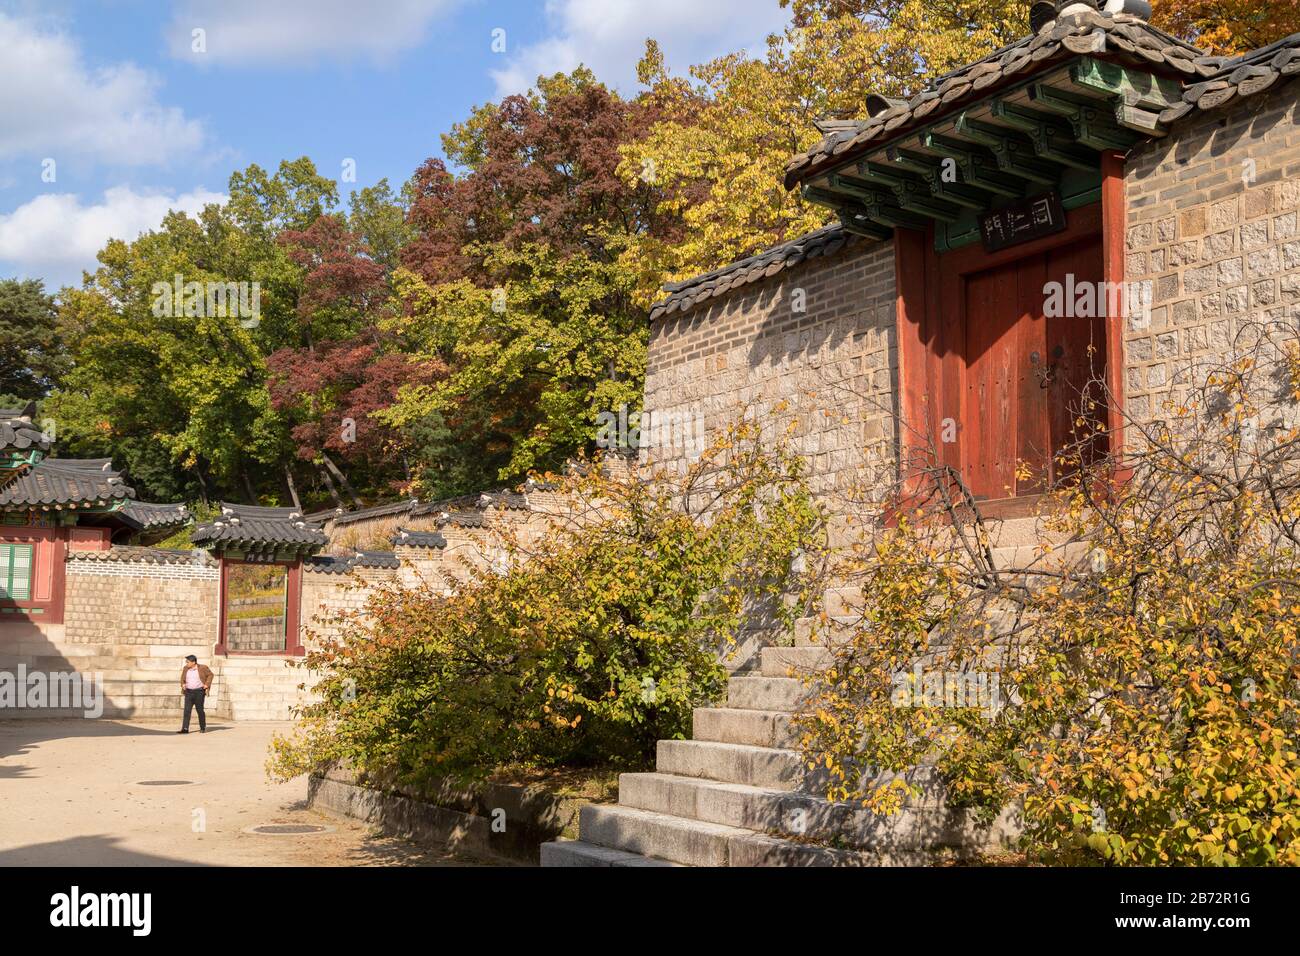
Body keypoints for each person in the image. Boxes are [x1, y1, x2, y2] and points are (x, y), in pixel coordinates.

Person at [179, 655, 212, 734]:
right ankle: (185, 729)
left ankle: (202, 727)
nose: (186, 663)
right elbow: (182, 678)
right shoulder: (185, 668)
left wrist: (207, 684)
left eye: (188, 662)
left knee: (200, 710)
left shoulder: (203, 668)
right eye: (186, 662)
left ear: (193, 662)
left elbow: (211, 675)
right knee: (187, 711)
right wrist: (183, 684)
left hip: (199, 692)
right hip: (188, 692)